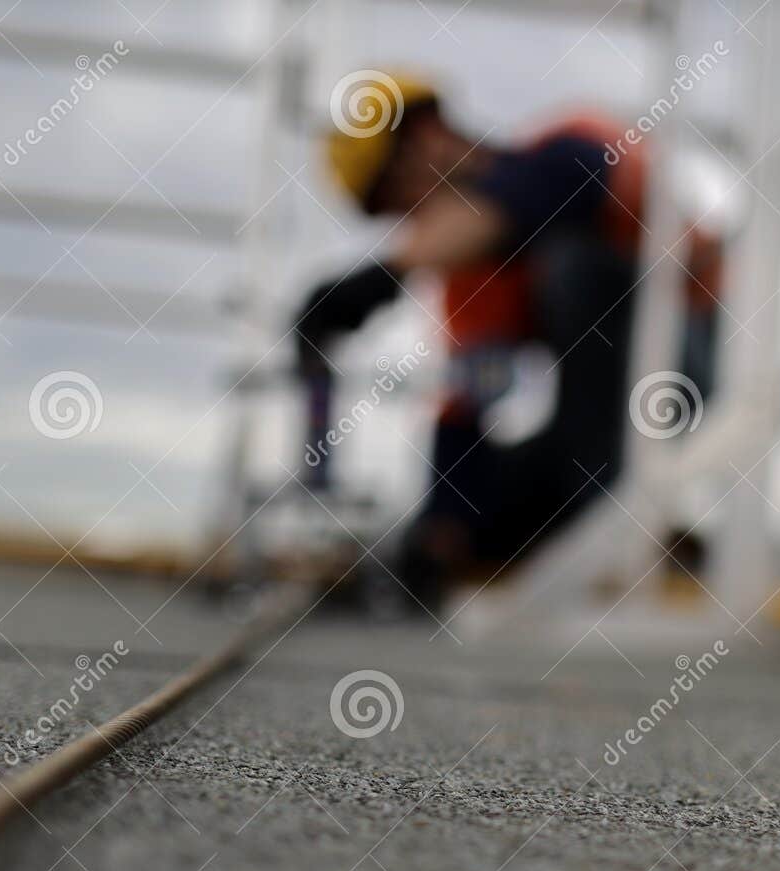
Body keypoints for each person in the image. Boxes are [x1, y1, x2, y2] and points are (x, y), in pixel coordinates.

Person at [294, 72, 716, 610]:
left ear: (426, 134)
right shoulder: (470, 274)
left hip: (697, 354)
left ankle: (627, 528)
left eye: (398, 193)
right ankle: (629, 536)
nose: (411, 219)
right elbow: (463, 406)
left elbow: (571, 183)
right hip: (604, 429)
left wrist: (387, 275)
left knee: (574, 272)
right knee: (496, 506)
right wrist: (439, 536)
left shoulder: (575, 138)